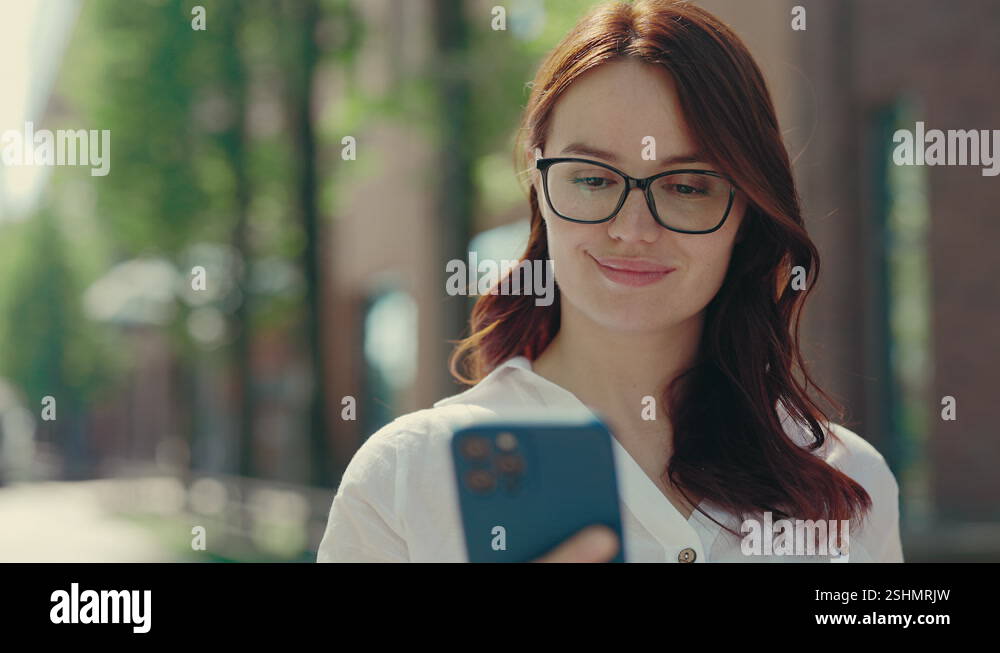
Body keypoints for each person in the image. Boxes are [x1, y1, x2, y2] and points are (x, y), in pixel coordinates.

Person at [317, 0, 903, 563]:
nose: (632, 229)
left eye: (688, 186)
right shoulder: (405, 477)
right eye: (593, 179)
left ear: (747, 209)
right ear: (539, 181)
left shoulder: (845, 481)